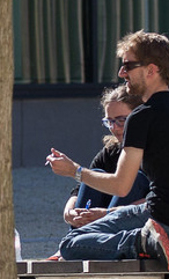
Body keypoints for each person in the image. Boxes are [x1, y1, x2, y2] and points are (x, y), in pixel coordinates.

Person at [46, 31, 169, 272]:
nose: (121, 73)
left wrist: (74, 171)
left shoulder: (142, 116)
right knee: (116, 218)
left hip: (166, 222)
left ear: (151, 70)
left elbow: (121, 186)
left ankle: (144, 241)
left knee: (71, 244)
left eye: (128, 66)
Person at [62, 85, 149, 230]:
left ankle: (87, 241)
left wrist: (108, 214)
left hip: (133, 224)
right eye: (110, 121)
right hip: (102, 219)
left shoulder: (157, 152)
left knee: (135, 179)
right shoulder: (110, 151)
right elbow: (83, 186)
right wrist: (69, 212)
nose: (115, 128)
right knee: (95, 174)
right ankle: (78, 237)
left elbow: (158, 201)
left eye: (121, 120)